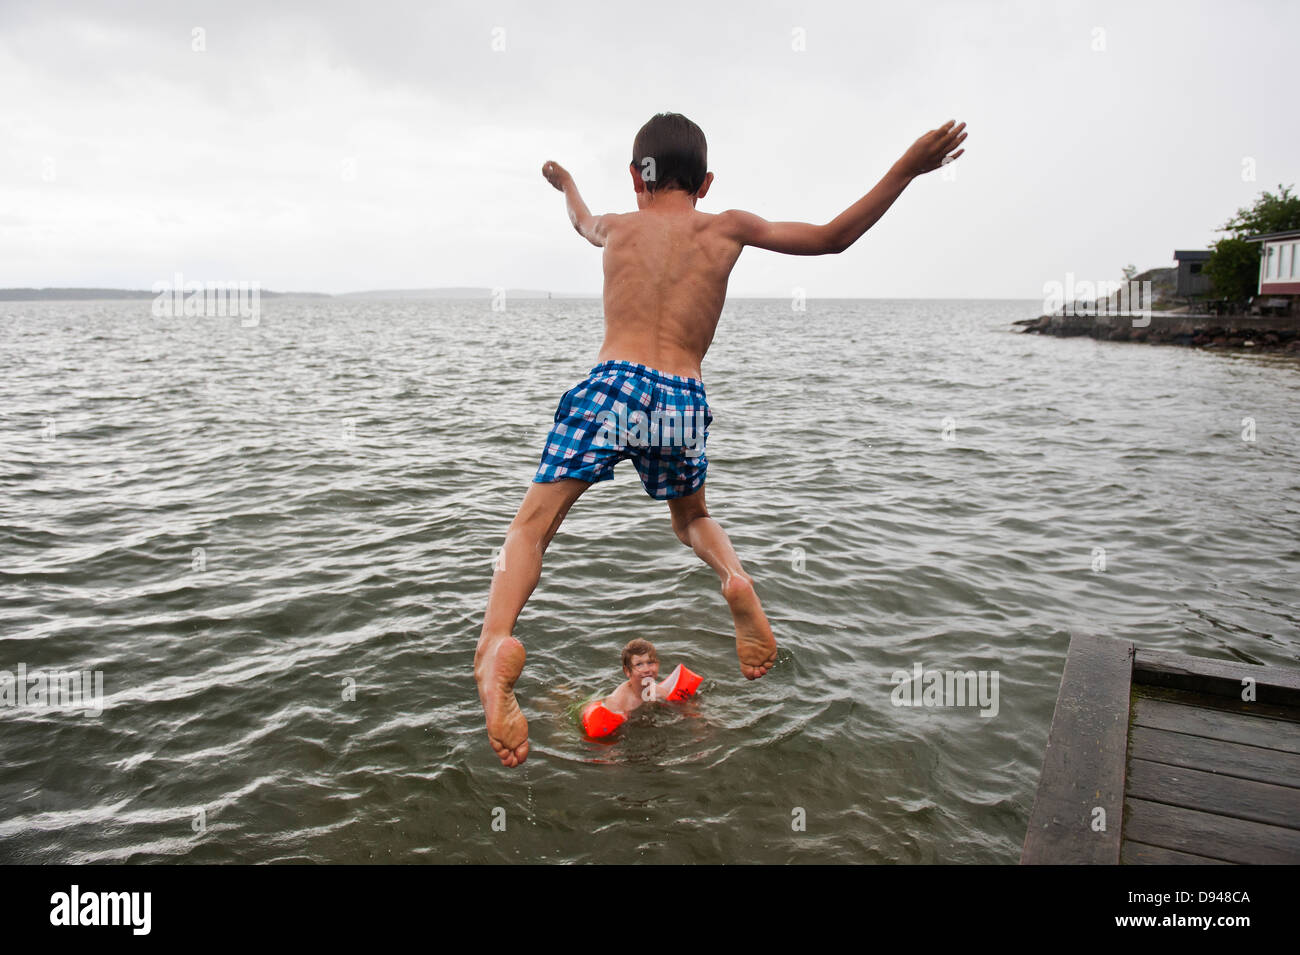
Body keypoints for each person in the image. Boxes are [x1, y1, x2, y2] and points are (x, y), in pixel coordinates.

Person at [475, 112, 969, 767]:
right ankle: (736, 581)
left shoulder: (617, 227)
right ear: (705, 183)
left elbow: (580, 219)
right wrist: (907, 168)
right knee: (694, 517)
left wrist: (564, 179)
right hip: (680, 393)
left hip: (612, 381)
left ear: (635, 178)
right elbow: (831, 238)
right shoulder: (726, 226)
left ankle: (493, 648)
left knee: (533, 527)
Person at [580, 639, 703, 739]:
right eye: (639, 664)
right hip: (591, 708)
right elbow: (605, 733)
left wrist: (697, 725)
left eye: (650, 662)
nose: (647, 669)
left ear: (658, 665)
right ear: (627, 671)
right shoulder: (619, 702)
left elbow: (683, 708)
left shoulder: (657, 691)